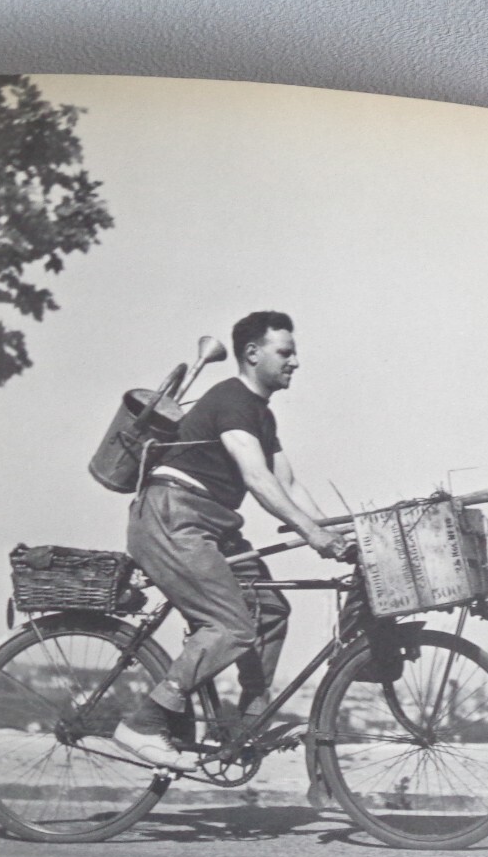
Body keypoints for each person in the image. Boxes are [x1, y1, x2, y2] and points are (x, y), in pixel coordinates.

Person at [113, 310, 350, 770]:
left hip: (211, 524)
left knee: (271, 610)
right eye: (286, 352)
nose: (295, 362)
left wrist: (340, 532)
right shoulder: (232, 400)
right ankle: (144, 722)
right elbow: (258, 480)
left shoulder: (260, 413)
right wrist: (312, 534)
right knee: (231, 626)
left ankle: (247, 725)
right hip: (173, 517)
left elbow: (289, 483)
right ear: (252, 353)